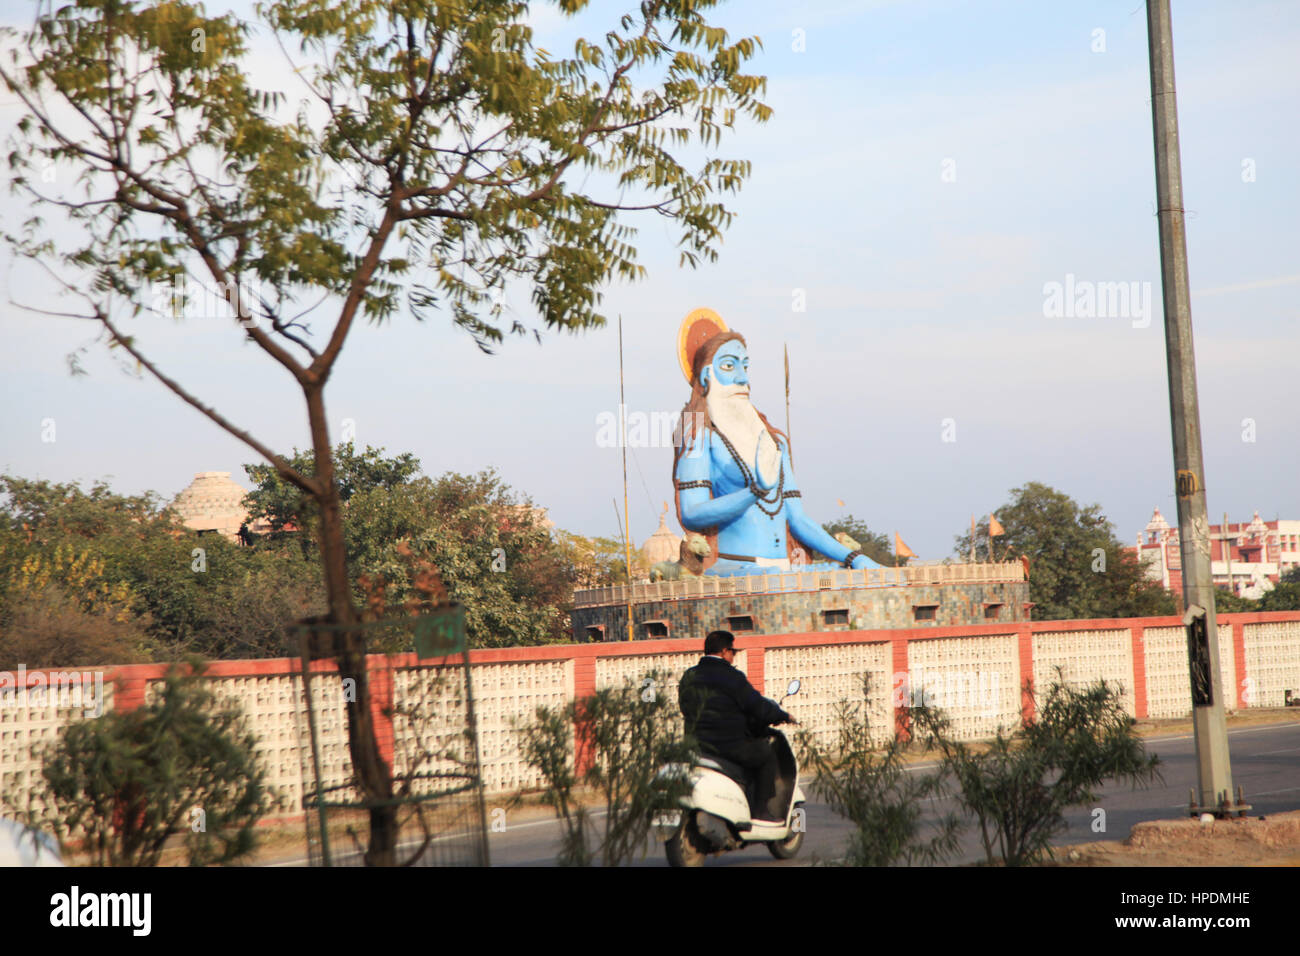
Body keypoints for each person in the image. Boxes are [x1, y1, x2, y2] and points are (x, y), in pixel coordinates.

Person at [671, 312, 884, 577]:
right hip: (736, 569)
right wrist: (754, 492)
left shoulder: (774, 441)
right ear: (706, 377)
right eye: (728, 366)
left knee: (848, 578)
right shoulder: (699, 439)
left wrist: (854, 557)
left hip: (784, 566)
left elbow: (797, 519)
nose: (741, 378)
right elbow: (692, 512)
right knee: (777, 582)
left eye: (745, 366)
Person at [678, 629, 796, 821]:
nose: (733, 656)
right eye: (733, 651)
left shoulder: (689, 676)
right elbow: (756, 706)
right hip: (728, 746)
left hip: (696, 743)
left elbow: (685, 706)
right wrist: (781, 715)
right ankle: (761, 811)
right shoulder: (733, 677)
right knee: (765, 754)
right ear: (725, 651)